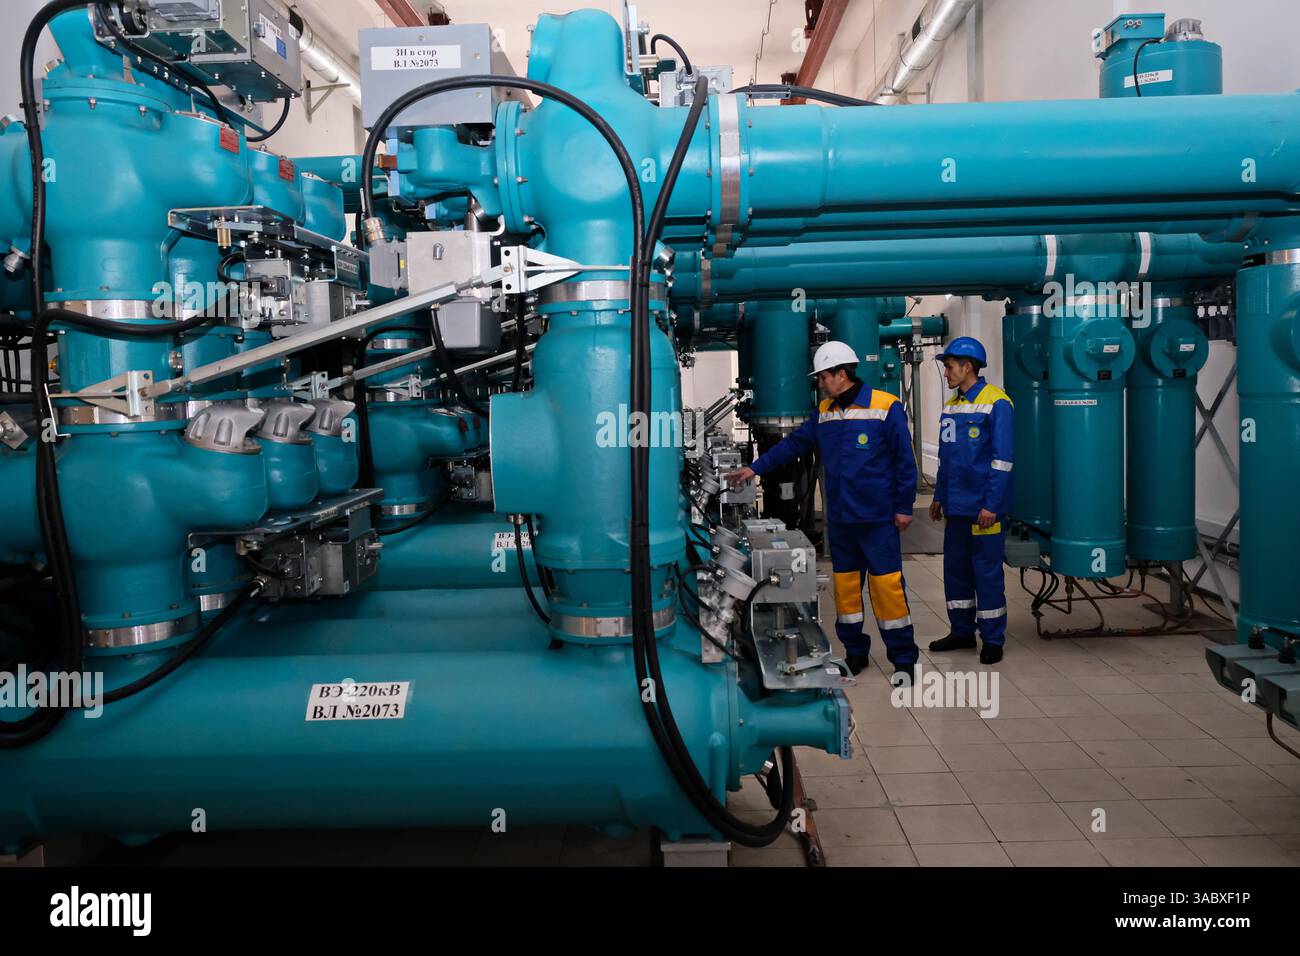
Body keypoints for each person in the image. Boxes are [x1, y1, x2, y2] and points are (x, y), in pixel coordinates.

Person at [728, 340, 919, 683]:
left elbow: (906, 463)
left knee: (887, 589)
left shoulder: (886, 407)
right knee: (846, 592)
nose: (819, 384)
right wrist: (754, 469)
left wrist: (904, 508)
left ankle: (903, 658)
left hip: (877, 519)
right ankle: (855, 652)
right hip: (842, 520)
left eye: (823, 377)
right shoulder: (825, 413)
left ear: (841, 375)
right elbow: (794, 445)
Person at [927, 336, 1014, 665]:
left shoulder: (997, 402)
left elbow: (1002, 460)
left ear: (967, 367)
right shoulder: (953, 405)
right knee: (956, 571)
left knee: (986, 572)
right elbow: (947, 457)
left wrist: (991, 504)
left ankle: (992, 638)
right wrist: (938, 495)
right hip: (957, 507)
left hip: (983, 510)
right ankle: (961, 631)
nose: (946, 372)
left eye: (949, 366)